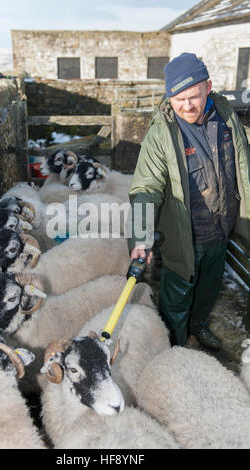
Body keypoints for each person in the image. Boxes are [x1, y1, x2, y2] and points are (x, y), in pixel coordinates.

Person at [128, 52, 250, 350]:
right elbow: (146, 187)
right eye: (178, 99)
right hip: (184, 236)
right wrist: (141, 236)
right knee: (177, 295)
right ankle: (177, 346)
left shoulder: (226, 117)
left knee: (208, 290)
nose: (186, 106)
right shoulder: (162, 133)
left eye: (193, 96)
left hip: (220, 232)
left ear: (207, 87)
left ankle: (198, 326)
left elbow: (242, 167)